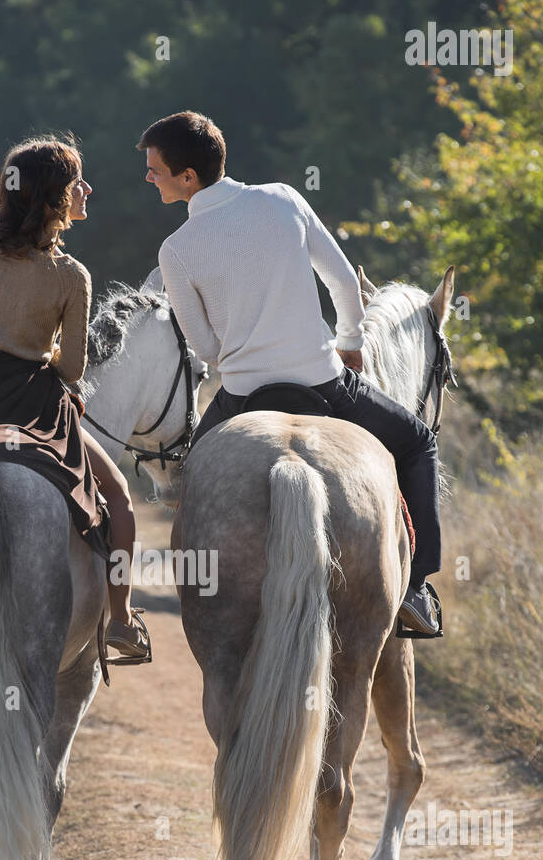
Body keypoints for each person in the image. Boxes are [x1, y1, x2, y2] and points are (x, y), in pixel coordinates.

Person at [137, 110, 442, 636]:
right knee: (417, 443)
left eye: (155, 169)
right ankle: (416, 588)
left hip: (241, 396)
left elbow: (204, 347)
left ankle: (197, 594)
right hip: (324, 382)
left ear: (187, 178)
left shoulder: (175, 251)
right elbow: (343, 283)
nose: (149, 177)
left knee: (190, 482)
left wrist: (239, 352)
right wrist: (350, 344)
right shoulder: (284, 199)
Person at [0, 136, 149, 660]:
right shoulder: (71, 276)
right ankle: (121, 619)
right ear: (53, 197)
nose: (87, 189)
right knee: (118, 497)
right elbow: (72, 369)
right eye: (77, 182)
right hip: (31, 405)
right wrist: (31, 360)